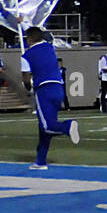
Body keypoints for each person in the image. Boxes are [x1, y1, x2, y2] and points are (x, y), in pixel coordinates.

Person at [21, 27, 80, 170]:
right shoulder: (49, 46)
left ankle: (67, 126)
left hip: (43, 89)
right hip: (58, 88)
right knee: (43, 127)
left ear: (29, 39)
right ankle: (41, 161)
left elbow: (26, 78)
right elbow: (46, 35)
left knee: (47, 126)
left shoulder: (26, 56)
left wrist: (28, 88)